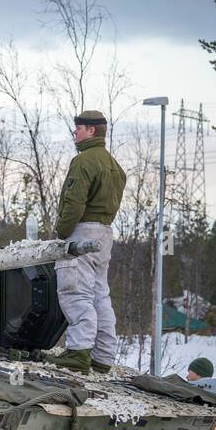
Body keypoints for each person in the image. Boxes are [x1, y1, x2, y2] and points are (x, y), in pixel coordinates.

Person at [50, 109, 126, 373]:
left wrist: (62, 233)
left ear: (92, 130)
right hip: (104, 233)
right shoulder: (115, 166)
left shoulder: (84, 161)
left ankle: (79, 352)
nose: (75, 132)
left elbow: (74, 202)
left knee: (75, 291)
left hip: (82, 232)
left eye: (79, 128)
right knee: (99, 295)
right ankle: (103, 356)